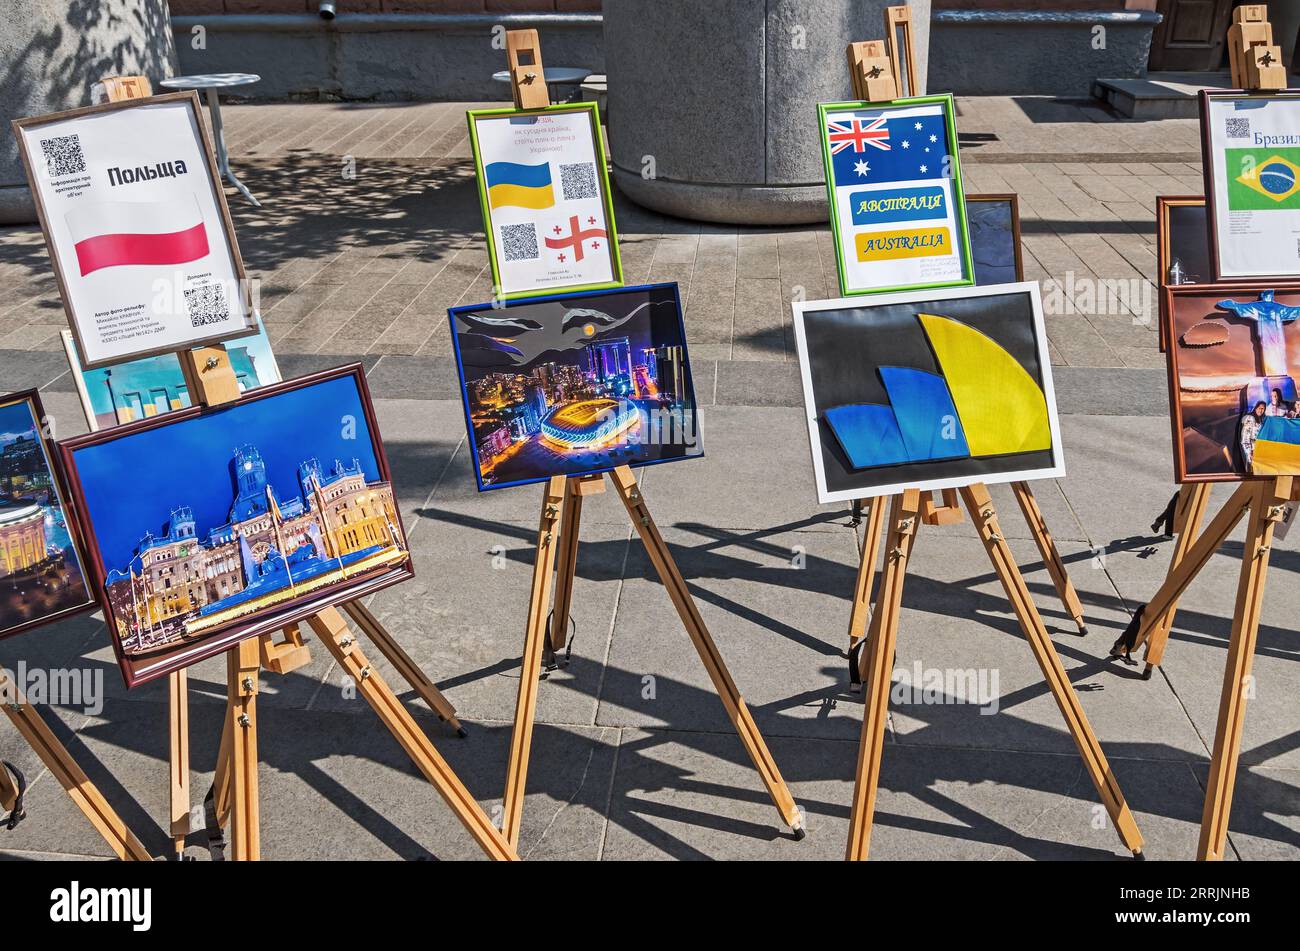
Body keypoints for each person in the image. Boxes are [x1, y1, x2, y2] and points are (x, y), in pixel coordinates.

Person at [1241, 401, 1268, 469]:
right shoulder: (1250, 418)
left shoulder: (1261, 419)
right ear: (1256, 408)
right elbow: (1245, 439)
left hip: (1259, 450)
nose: (1261, 410)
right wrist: (1249, 453)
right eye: (1259, 408)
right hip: (1251, 451)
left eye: (1263, 409)